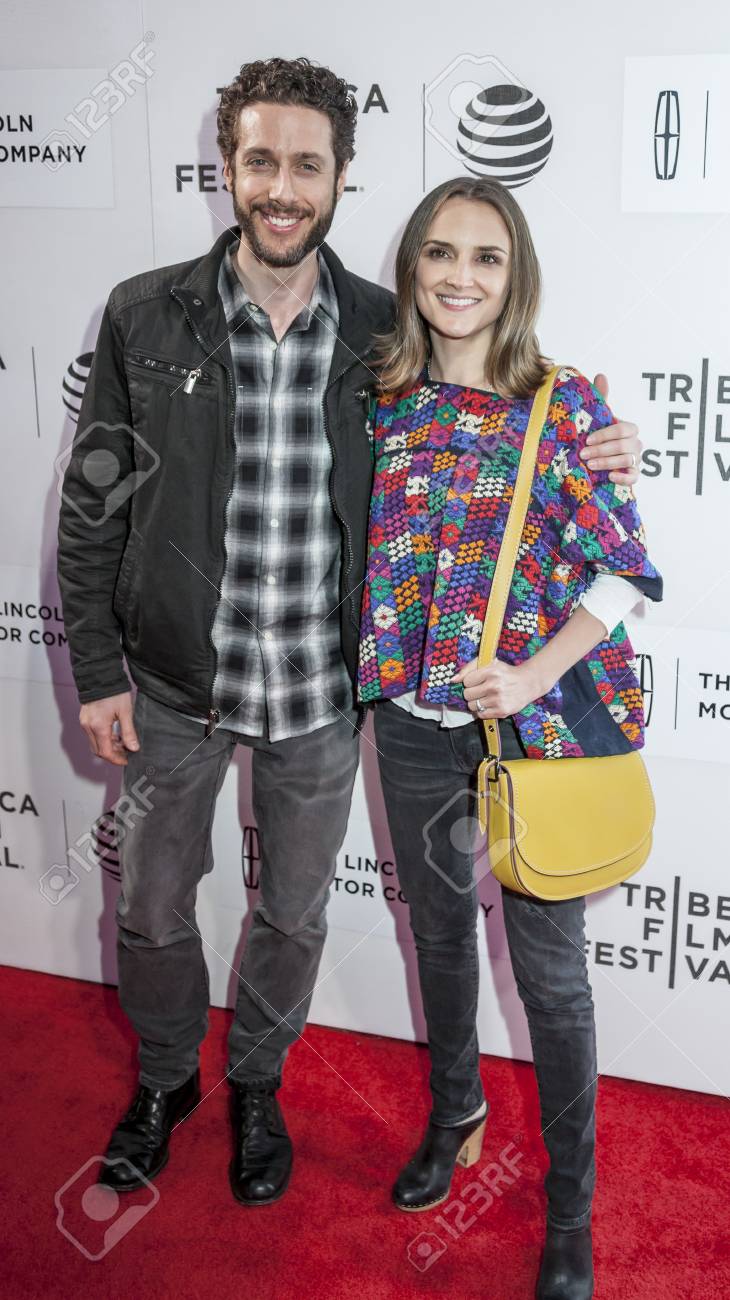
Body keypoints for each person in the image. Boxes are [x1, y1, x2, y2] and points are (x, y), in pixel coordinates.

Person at [57, 57, 643, 1212]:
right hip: (174, 682)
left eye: (306, 165)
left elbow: (505, 400)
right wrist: (95, 666)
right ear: (226, 169)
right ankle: (169, 1080)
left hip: (325, 691)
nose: (282, 186)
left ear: (338, 180)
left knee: (294, 910)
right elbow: (91, 507)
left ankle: (260, 1083)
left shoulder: (384, 329)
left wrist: (600, 440)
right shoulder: (140, 314)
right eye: (260, 160)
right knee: (151, 906)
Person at [357, 176, 662, 1299]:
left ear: (514, 275)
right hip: (409, 723)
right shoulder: (379, 398)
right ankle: (455, 1114)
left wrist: (532, 670)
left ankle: (570, 1207)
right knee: (435, 939)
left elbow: (624, 571)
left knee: (552, 977)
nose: (458, 276)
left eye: (485, 258)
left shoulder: (566, 401)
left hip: (535, 739)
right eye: (439, 253)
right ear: (411, 268)